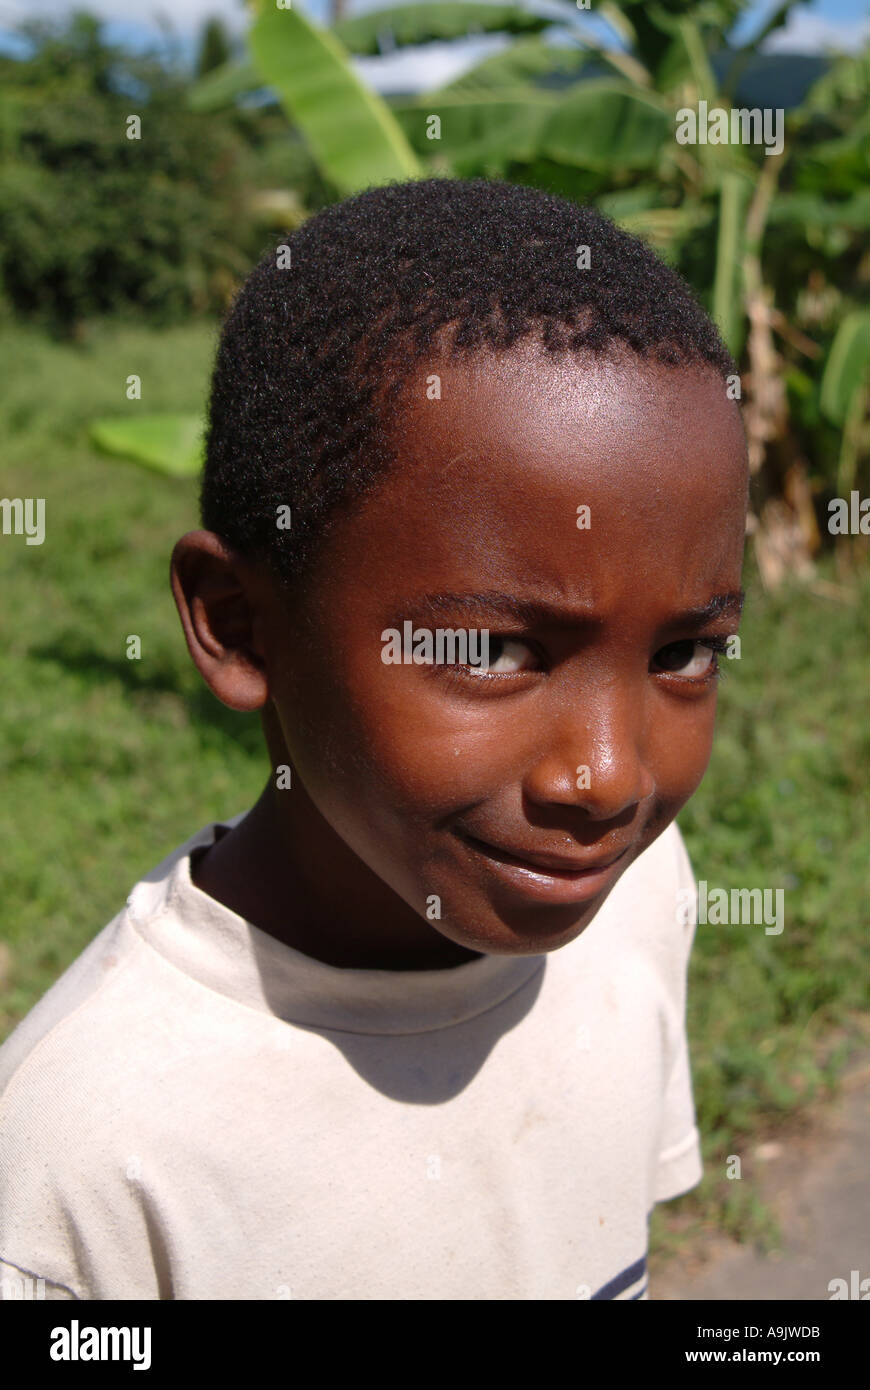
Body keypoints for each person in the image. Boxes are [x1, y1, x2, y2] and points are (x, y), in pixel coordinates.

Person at [0, 178, 747, 1300]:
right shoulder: (79, 1164)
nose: (607, 777)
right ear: (240, 625)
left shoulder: (634, 906)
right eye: (495, 651)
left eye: (683, 653)